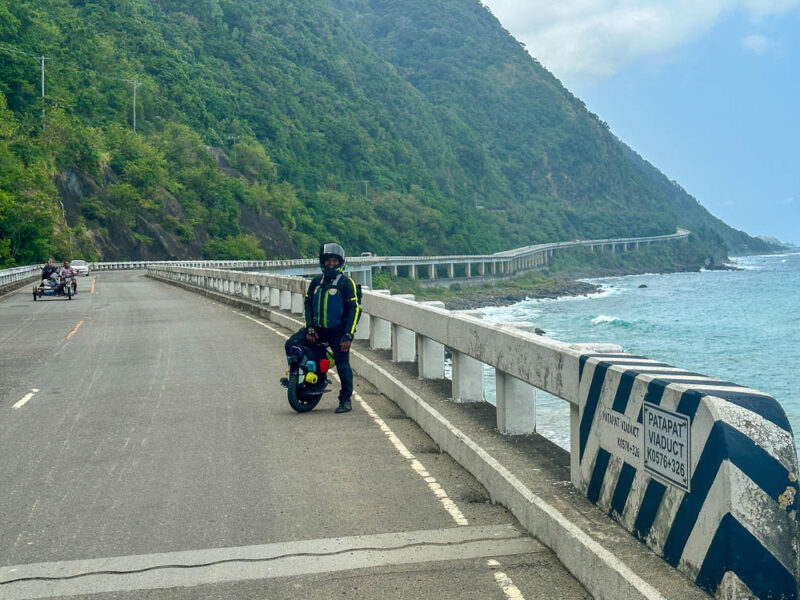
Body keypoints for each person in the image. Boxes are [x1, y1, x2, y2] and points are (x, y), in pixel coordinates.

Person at [284, 243, 360, 413]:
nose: (331, 263)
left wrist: (348, 335)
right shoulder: (316, 282)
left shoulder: (346, 283)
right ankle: (305, 380)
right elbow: (308, 304)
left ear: (340, 262)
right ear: (323, 262)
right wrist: (310, 328)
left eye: (334, 260)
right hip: (316, 330)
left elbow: (354, 309)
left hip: (338, 332)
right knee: (291, 345)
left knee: (342, 363)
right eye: (328, 261)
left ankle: (345, 400)